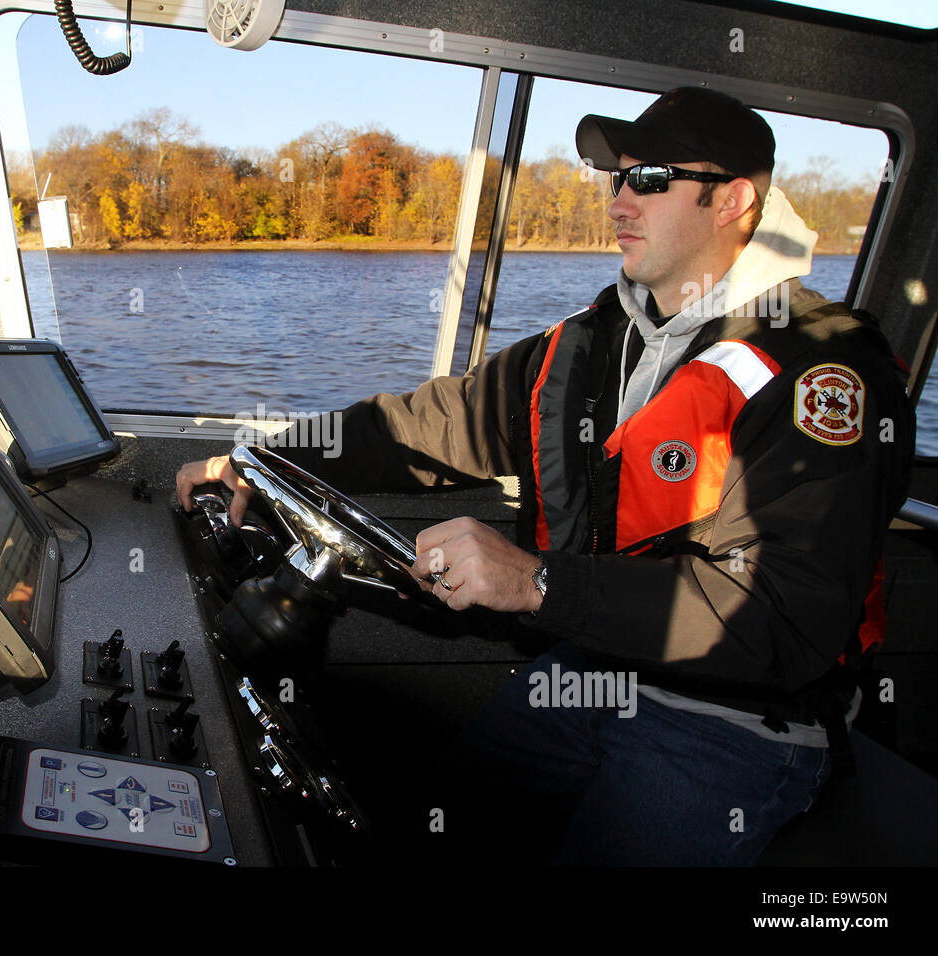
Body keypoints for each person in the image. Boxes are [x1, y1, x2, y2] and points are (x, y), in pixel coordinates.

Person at [175, 88, 915, 864]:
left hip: (737, 722)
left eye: (650, 178)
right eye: (616, 178)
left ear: (732, 200)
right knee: (436, 828)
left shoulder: (822, 380)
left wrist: (538, 584)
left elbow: (779, 619)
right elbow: (422, 425)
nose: (620, 199)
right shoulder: (592, 345)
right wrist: (264, 459)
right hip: (597, 671)